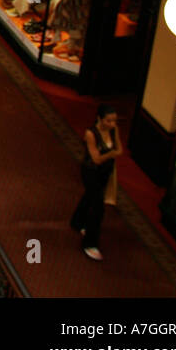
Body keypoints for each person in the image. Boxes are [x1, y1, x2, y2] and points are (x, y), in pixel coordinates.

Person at [71, 104, 123, 261]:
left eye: (114, 120)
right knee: (98, 207)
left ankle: (77, 221)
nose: (112, 124)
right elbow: (96, 159)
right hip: (91, 172)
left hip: (105, 172)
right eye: (109, 121)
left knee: (90, 196)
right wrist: (111, 154)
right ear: (100, 119)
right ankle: (90, 244)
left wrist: (108, 154)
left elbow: (119, 150)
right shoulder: (91, 133)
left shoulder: (114, 131)